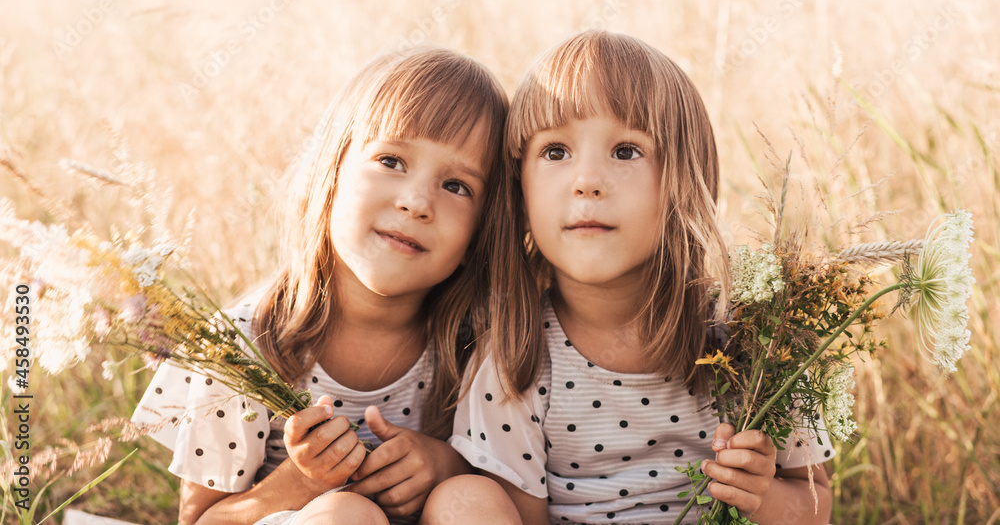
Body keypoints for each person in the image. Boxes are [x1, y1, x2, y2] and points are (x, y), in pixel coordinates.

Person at [448, 30, 834, 524]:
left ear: (685, 183)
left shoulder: (757, 341)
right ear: (520, 192)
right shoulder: (514, 358)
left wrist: (763, 496)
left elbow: (816, 509)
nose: (586, 181)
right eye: (555, 151)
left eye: (626, 151)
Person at [133, 46, 516, 525]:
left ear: (483, 229)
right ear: (331, 172)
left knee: (473, 498)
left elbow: (510, 482)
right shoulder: (243, 343)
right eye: (392, 160)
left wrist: (443, 463)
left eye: (457, 185)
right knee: (344, 514)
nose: (417, 202)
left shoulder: (478, 341)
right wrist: (303, 482)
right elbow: (201, 521)